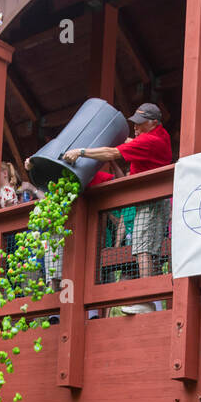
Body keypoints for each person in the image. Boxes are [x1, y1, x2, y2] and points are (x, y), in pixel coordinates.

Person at [60, 103, 173, 283]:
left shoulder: (148, 141)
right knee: (154, 250)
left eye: (140, 123)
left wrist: (80, 152)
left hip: (148, 201)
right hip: (158, 199)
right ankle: (152, 298)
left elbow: (111, 152)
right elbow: (130, 143)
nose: (135, 126)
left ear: (153, 123)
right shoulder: (161, 135)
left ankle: (146, 296)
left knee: (142, 250)